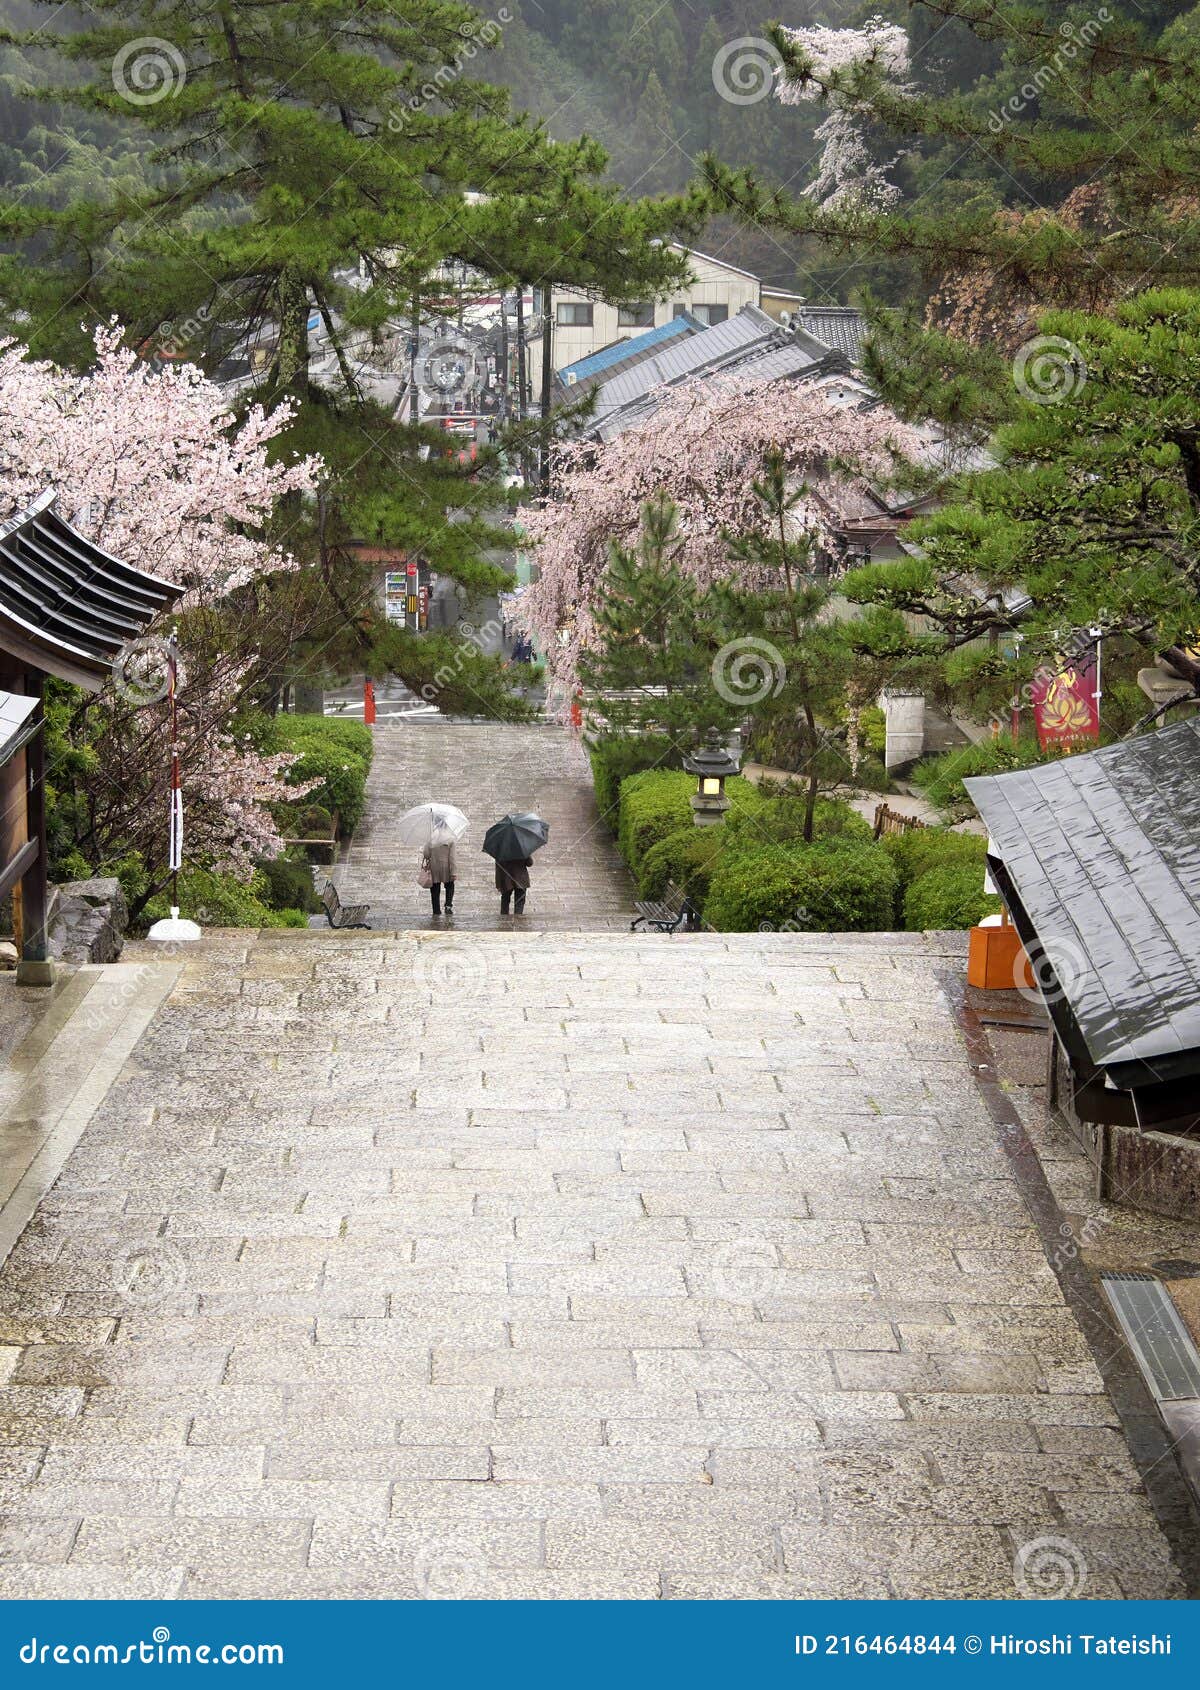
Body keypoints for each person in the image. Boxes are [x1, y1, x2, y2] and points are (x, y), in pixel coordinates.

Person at [423, 838, 456, 917]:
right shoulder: (450, 840)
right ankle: (448, 906)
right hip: (446, 868)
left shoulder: (431, 838)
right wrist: (453, 872)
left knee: (435, 889)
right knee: (450, 886)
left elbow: (426, 854)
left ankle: (436, 910)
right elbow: (452, 858)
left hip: (434, 867)